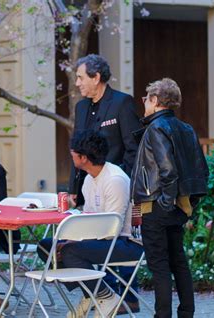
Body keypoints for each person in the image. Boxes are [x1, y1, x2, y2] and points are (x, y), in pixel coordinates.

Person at [38, 130, 144, 318]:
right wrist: (72, 236)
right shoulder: (89, 178)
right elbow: (90, 218)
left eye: (73, 155)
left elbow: (112, 228)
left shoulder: (114, 180)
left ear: (84, 158)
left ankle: (103, 296)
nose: (71, 158)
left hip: (126, 243)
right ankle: (94, 294)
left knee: (70, 251)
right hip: (103, 238)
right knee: (47, 246)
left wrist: (75, 242)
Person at [69, 54, 143, 310]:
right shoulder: (81, 108)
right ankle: (104, 293)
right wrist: (72, 190)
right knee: (89, 238)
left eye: (80, 77)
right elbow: (77, 149)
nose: (77, 83)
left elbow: (134, 148)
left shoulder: (122, 103)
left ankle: (128, 298)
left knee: (119, 236)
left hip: (119, 185)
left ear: (96, 77)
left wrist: (123, 181)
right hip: (89, 184)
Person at [131, 78, 208, 318]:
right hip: (178, 206)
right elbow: (201, 171)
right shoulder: (185, 127)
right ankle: (186, 313)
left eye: (146, 98)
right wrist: (184, 204)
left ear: (155, 101)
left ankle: (162, 315)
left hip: (157, 205)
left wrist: (164, 204)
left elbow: (168, 170)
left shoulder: (156, 127)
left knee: (159, 265)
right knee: (178, 262)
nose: (144, 103)